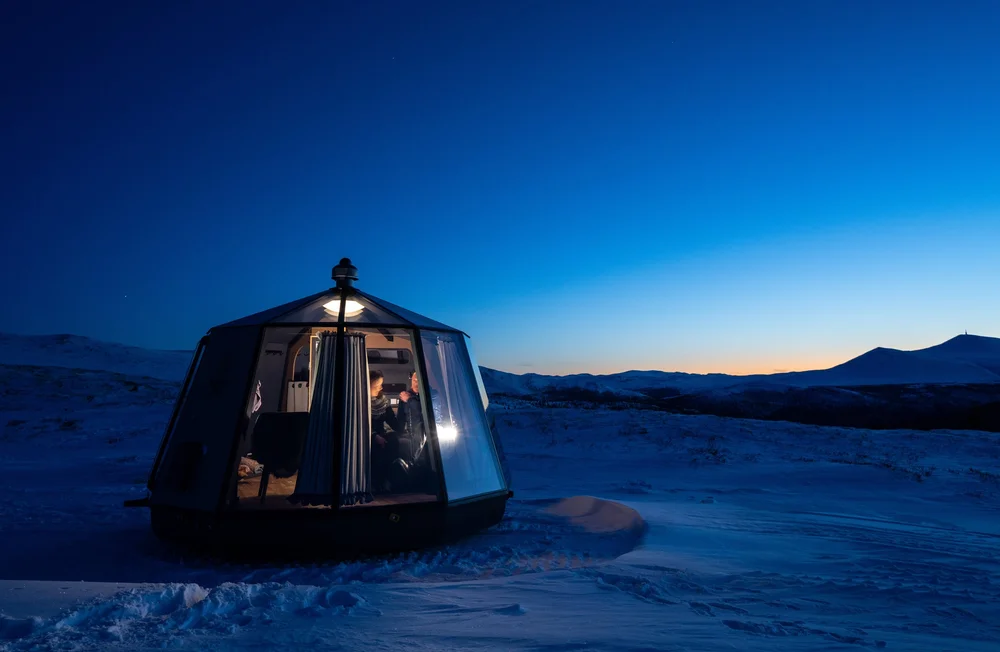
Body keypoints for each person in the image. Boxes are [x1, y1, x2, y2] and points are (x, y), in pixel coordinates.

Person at [369, 369, 400, 492]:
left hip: (382, 432)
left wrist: (403, 430)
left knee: (393, 441)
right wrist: (374, 436)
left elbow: (392, 420)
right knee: (375, 449)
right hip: (368, 435)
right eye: (377, 385)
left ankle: (388, 480)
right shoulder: (361, 401)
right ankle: (374, 483)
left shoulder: (383, 401)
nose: (380, 388)